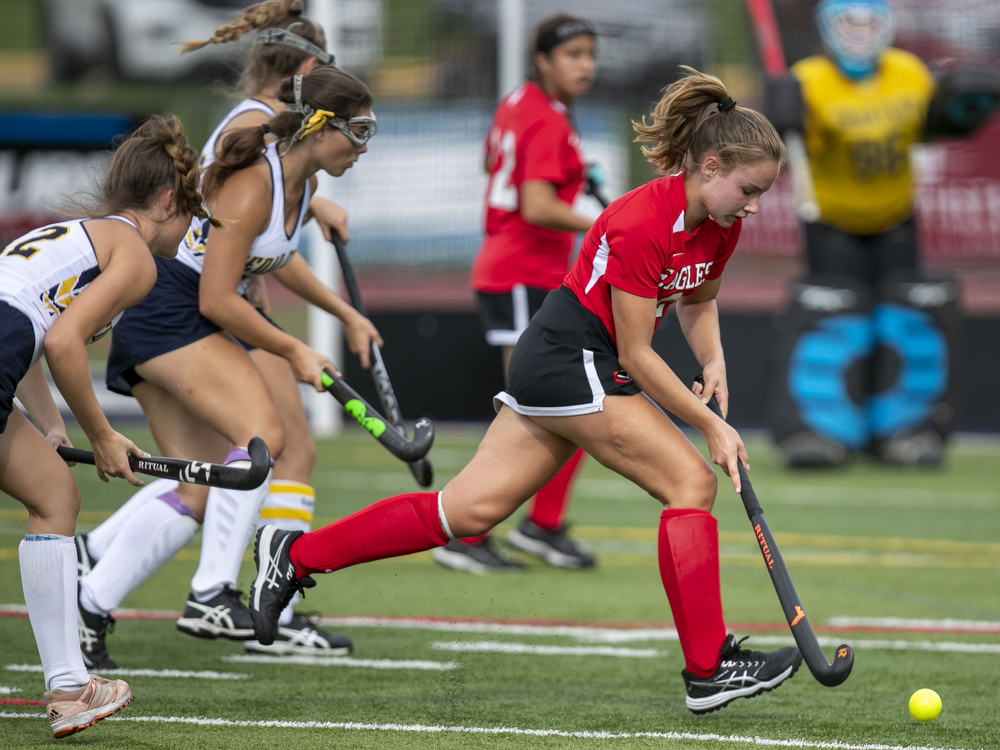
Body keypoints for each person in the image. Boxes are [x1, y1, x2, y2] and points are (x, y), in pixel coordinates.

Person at [250, 67, 805, 715]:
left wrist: (714, 361)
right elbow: (634, 353)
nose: (755, 205)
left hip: (569, 360)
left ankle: (295, 555)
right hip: (573, 356)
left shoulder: (721, 223)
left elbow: (698, 300)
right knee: (691, 484)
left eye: (762, 194)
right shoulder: (641, 222)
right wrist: (710, 426)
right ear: (709, 167)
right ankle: (709, 669)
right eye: (749, 189)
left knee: (467, 512)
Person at [75, 0, 358, 658]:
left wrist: (337, 304)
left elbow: (264, 255)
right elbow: (220, 275)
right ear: (309, 76)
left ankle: (90, 581)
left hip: (186, 305)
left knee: (202, 483)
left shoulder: (279, 155)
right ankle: (217, 597)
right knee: (267, 445)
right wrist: (287, 344)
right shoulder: (260, 135)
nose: (358, 140)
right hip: (185, 307)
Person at [0, 115, 212, 737]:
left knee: (54, 494)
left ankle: (70, 688)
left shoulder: (65, 233)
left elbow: (32, 333)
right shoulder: (135, 256)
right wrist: (100, 435)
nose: (193, 227)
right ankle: (67, 687)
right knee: (54, 501)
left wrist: (50, 428)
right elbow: (64, 341)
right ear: (169, 201)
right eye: (192, 211)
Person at [436, 14, 600, 574]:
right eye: (573, 54)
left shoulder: (519, 102)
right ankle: (471, 530)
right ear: (544, 60)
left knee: (563, 403)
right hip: (524, 272)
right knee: (541, 410)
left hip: (516, 271)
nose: (586, 65)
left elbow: (492, 162)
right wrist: (602, 223)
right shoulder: (549, 122)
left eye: (590, 54)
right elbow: (535, 206)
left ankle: (538, 526)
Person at [766, 0, 957, 467]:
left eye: (869, 21)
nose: (859, 31)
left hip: (896, 216)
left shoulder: (910, 72)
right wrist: (781, 121)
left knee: (901, 325)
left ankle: (899, 431)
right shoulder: (807, 79)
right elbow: (784, 157)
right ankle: (824, 431)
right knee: (836, 328)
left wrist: (959, 113)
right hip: (830, 220)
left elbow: (930, 134)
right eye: (847, 21)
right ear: (826, 26)